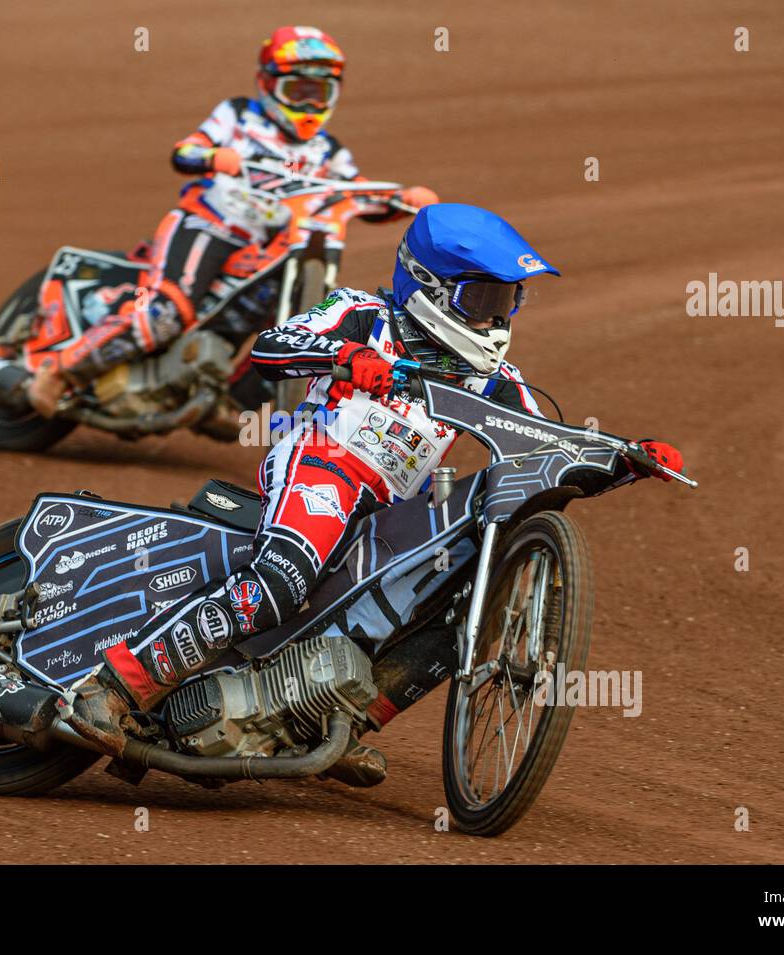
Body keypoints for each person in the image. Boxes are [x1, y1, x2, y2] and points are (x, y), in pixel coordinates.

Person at [65, 203, 686, 784]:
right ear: (430, 286)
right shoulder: (366, 313)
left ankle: (330, 721)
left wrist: (627, 458)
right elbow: (271, 347)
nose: (498, 318)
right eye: (484, 298)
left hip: (391, 508)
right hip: (321, 466)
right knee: (284, 578)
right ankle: (116, 688)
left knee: (456, 608)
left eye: (509, 300)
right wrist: (345, 354)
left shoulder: (495, 377)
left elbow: (546, 443)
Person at [26, 25, 437, 416]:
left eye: (320, 92)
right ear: (268, 84)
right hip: (210, 225)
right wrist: (211, 156)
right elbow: (186, 151)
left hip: (269, 250)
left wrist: (402, 198)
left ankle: (226, 400)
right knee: (168, 310)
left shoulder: (327, 150)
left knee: (277, 318)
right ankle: (60, 372)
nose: (310, 104)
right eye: (299, 91)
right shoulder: (238, 116)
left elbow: (355, 191)